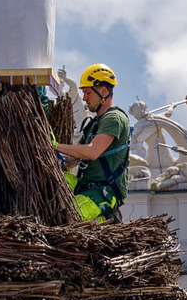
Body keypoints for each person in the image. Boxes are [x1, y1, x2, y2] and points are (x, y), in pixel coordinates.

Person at [54, 63, 131, 222]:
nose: (84, 98)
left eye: (88, 92)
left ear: (103, 91)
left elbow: (92, 152)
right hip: (84, 185)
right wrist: (57, 156)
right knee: (49, 181)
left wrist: (54, 145)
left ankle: (103, 221)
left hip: (104, 191)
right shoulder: (94, 123)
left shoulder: (114, 118)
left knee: (71, 217)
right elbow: (77, 155)